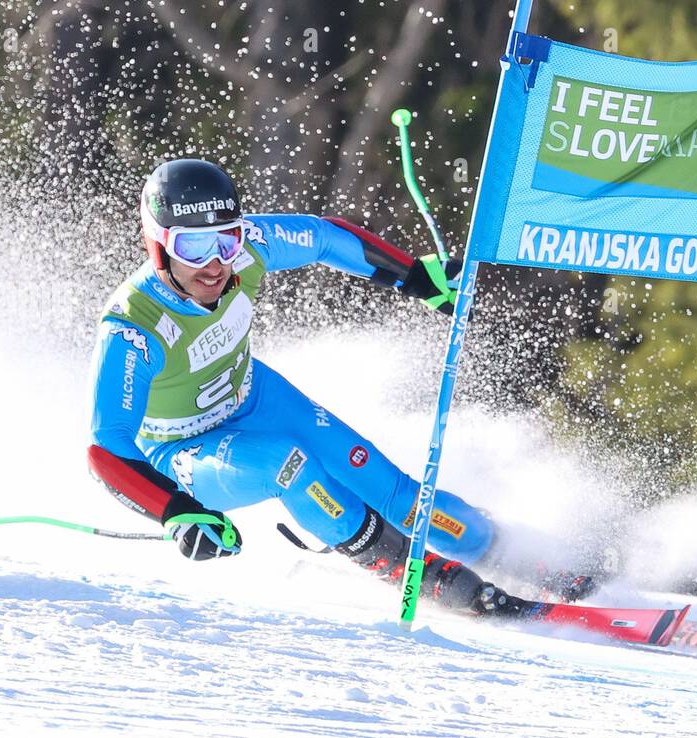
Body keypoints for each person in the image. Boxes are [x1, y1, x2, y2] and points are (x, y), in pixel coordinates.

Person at [86, 158, 590, 615]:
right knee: (288, 465)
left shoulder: (245, 254)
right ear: (159, 246)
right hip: (184, 449)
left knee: (390, 487)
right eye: (192, 246)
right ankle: (435, 581)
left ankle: (520, 557)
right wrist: (176, 512)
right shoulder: (133, 327)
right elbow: (106, 448)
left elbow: (323, 236)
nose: (215, 263)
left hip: (254, 400)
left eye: (227, 239)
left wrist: (414, 276)